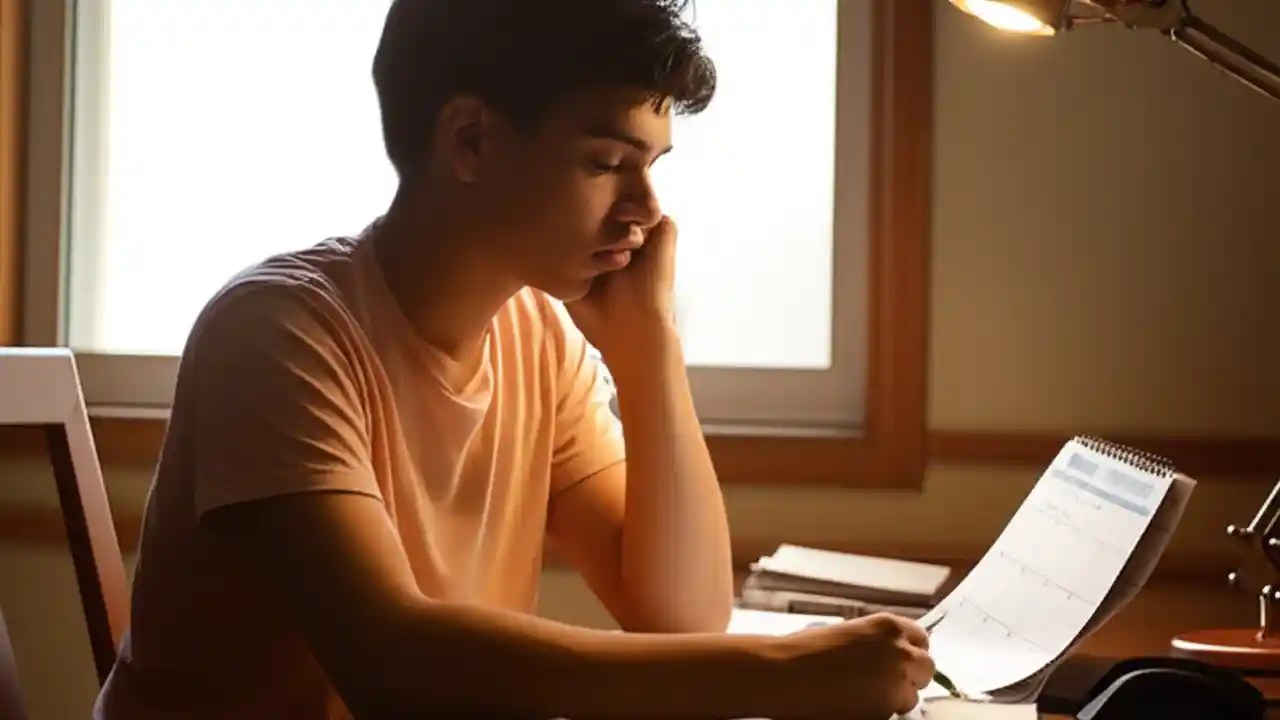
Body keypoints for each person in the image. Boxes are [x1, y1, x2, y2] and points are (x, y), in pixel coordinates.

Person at [93, 1, 934, 718]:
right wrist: (790, 672)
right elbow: (391, 660)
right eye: (607, 163)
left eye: (653, 169)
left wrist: (650, 352)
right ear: (470, 139)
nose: (647, 211)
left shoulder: (538, 338)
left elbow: (681, 615)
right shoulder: (280, 332)